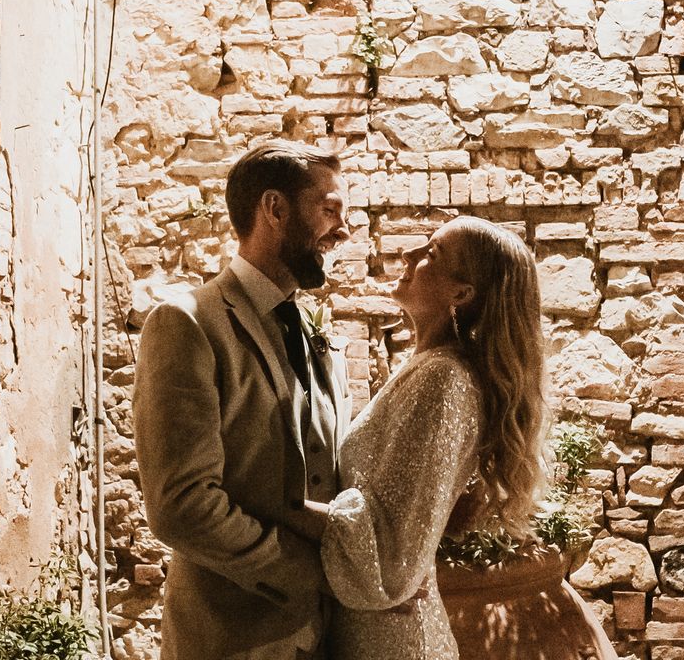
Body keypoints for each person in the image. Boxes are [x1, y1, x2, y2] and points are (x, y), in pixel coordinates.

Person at [282, 217, 550, 660]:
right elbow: (407, 515)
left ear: (461, 293)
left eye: (431, 253)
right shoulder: (425, 367)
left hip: (393, 641)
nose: (407, 256)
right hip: (373, 626)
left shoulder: (443, 378)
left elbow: (387, 558)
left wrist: (277, 503)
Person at [134, 140, 352, 659]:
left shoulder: (318, 330)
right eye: (329, 210)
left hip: (326, 640)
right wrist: (306, 573)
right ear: (274, 209)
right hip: (230, 641)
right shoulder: (187, 324)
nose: (343, 229)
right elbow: (182, 506)